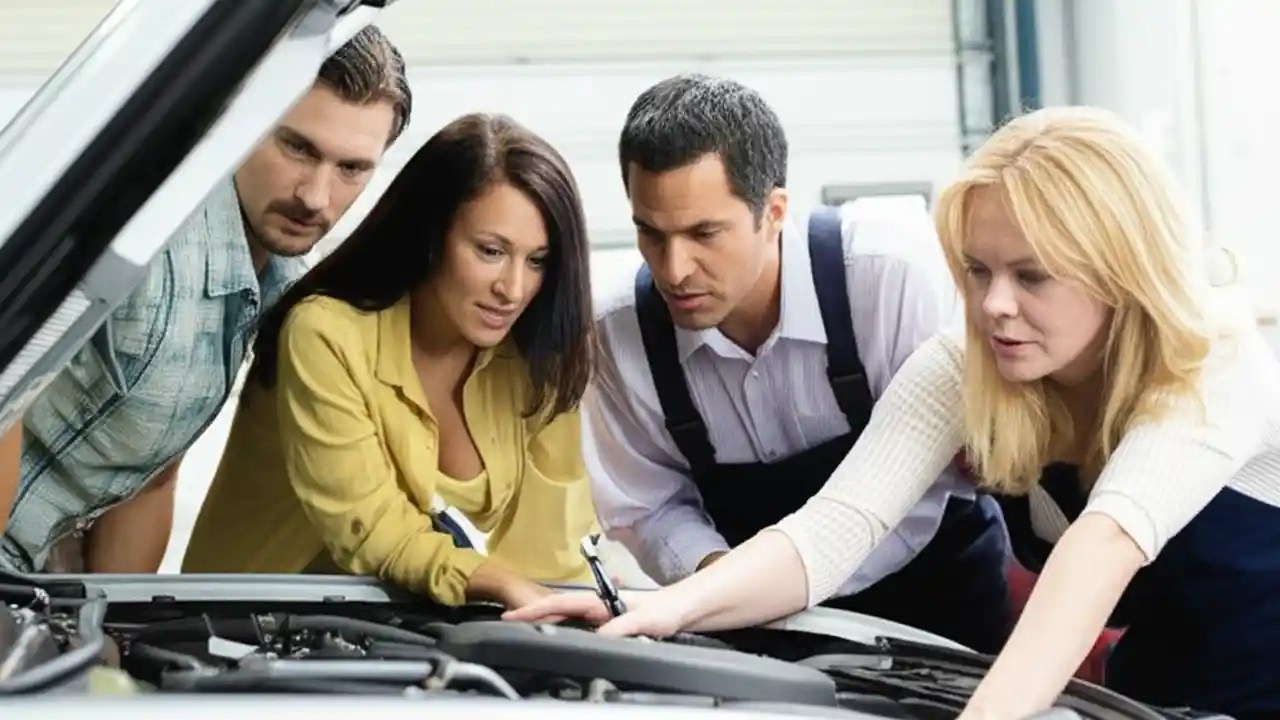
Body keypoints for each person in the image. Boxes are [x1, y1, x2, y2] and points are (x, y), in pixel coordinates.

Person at [509, 105, 1280, 719]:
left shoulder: (1210, 361)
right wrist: (663, 610)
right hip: (1156, 686)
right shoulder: (970, 361)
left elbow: (1102, 547)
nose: (992, 306)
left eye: (1032, 276)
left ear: (1119, 271)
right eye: (976, 271)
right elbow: (831, 529)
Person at [578, 73, 1011, 653]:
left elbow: (935, 481)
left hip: (943, 606)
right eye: (651, 234)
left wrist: (765, 587)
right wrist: (723, 585)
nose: (674, 268)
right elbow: (650, 508)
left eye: (704, 233)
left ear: (774, 211)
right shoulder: (617, 333)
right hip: (753, 628)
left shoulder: (890, 277)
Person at [0, 27, 412, 574]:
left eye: (351, 168)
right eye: (296, 146)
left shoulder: (282, 279)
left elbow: (153, 476)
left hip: (43, 579)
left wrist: (114, 642)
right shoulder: (140, 237)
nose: (315, 196)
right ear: (240, 119)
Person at [181, 112, 600, 611]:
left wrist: (576, 620)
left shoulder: (538, 356)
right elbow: (372, 528)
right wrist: (497, 583)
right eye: (490, 251)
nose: (513, 289)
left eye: (537, 261)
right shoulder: (326, 334)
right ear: (431, 234)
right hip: (242, 634)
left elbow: (555, 551)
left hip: (407, 639)